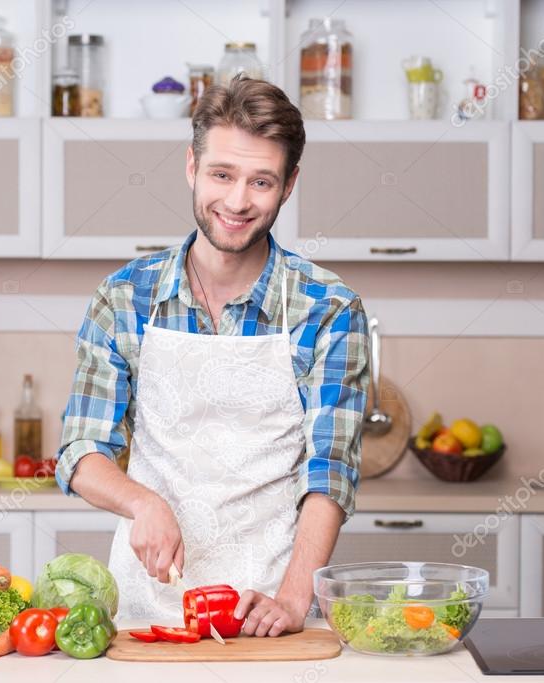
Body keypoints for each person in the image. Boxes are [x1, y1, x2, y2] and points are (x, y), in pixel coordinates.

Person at [56, 76, 368, 636]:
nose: (237, 201)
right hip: (146, 608)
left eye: (262, 181)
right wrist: (142, 503)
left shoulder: (329, 308)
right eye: (222, 174)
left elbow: (330, 470)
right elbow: (81, 451)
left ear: (289, 185)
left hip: (269, 606)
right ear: (191, 167)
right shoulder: (125, 298)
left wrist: (294, 601)